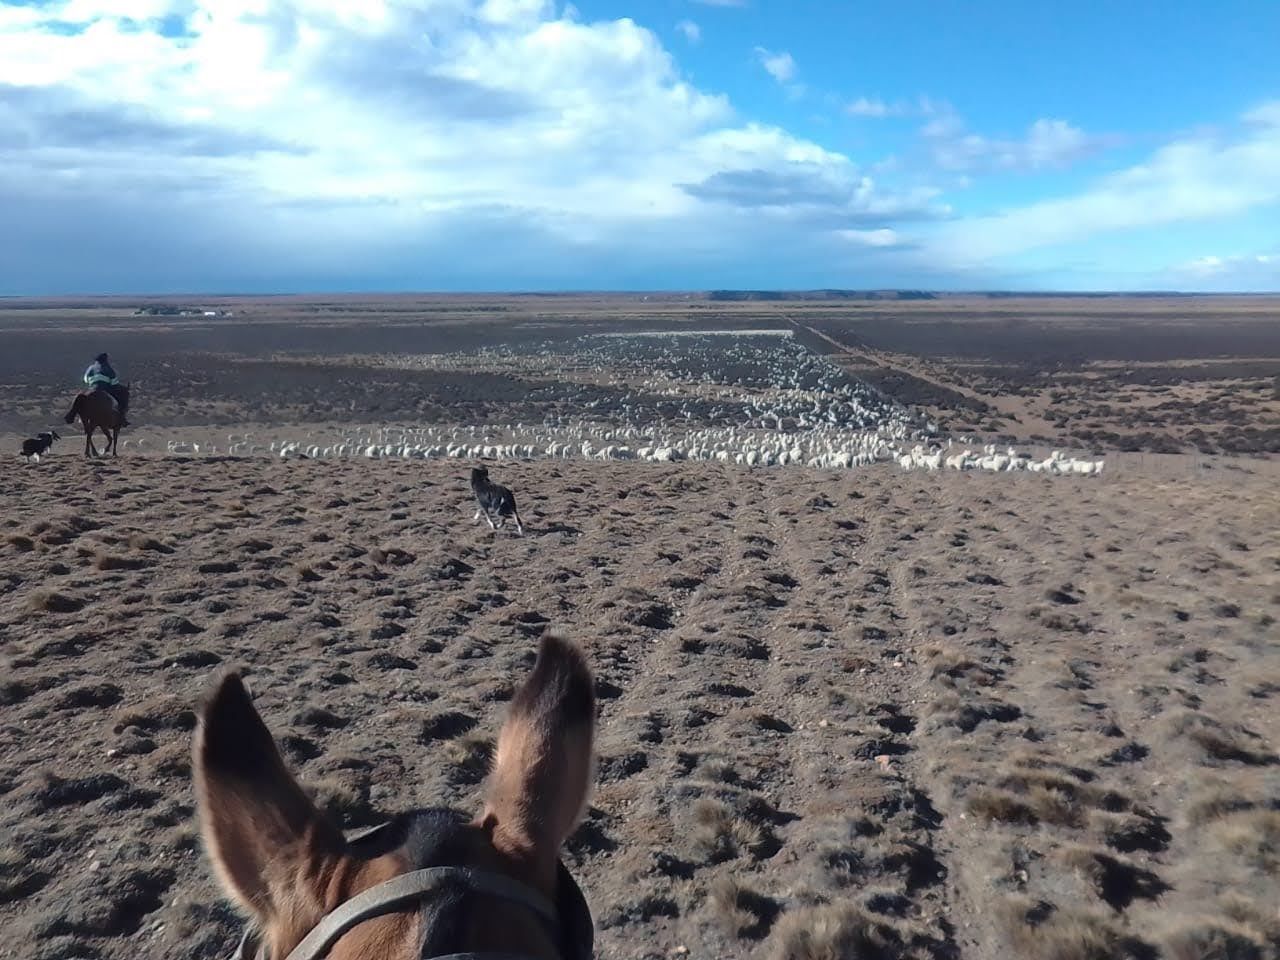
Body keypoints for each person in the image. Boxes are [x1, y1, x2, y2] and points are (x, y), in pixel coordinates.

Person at [84, 352, 129, 427]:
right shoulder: (108, 368)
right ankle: (122, 419)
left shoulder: (91, 368)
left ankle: (76, 415)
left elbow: (85, 379)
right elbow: (114, 382)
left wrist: (91, 383)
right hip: (105, 389)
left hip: (92, 388)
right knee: (120, 399)